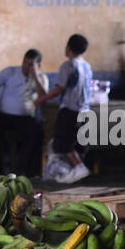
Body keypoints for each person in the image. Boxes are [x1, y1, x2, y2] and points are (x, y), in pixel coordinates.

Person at [38, 33, 94, 184]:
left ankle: (79, 167)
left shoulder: (68, 66)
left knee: (62, 142)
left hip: (70, 110)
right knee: (78, 143)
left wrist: (41, 99)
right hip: (85, 110)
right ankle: (75, 171)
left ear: (68, 47)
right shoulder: (86, 66)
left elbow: (59, 88)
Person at [0, 49, 48, 177]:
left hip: (26, 118)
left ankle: (25, 172)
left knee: (37, 134)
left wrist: (35, 76)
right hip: (5, 116)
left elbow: (43, 97)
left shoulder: (41, 78)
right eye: (25, 62)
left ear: (38, 66)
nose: (27, 67)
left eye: (31, 64)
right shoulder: (10, 72)